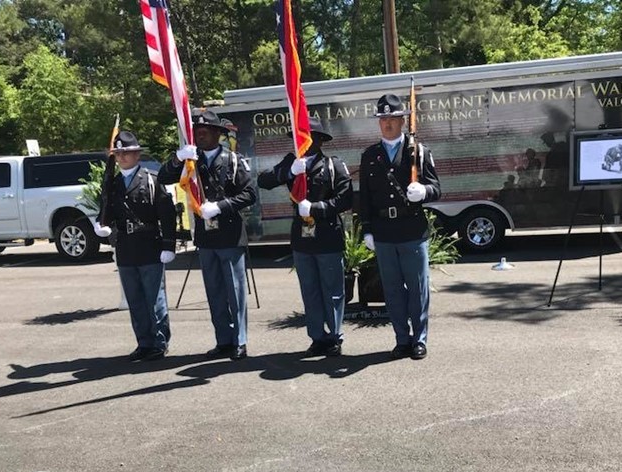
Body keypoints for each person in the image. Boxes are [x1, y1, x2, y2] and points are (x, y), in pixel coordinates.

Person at [158, 109, 257, 360]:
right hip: (206, 236)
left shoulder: (233, 160)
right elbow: (163, 177)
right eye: (197, 132)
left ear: (217, 134)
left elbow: (250, 194)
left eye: (204, 132)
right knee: (214, 291)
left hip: (230, 235)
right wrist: (177, 158)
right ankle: (223, 339)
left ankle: (240, 341)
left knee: (235, 291)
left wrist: (221, 206)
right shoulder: (190, 161)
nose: (200, 136)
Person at [257, 116, 354, 357]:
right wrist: (288, 170)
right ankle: (317, 337)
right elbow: (264, 181)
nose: (302, 142)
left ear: (319, 140)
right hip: (302, 237)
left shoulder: (334, 165)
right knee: (309, 289)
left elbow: (346, 199)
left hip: (328, 236)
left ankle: (334, 335)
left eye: (308, 137)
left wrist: (316, 207)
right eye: (299, 137)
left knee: (332, 289)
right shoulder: (291, 163)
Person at [356, 93, 442, 360]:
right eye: (382, 119)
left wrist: (424, 191)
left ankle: (419, 339)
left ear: (402, 120)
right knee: (391, 290)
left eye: (392, 118)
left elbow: (437, 189)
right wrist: (367, 229)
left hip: (411, 229)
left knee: (417, 288)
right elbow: (365, 198)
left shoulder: (418, 151)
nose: (387, 124)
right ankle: (401, 339)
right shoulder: (370, 155)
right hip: (383, 231)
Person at [91, 130, 177, 362]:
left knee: (154, 299)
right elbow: (107, 210)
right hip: (126, 247)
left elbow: (167, 214)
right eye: (118, 153)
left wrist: (169, 244)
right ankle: (144, 342)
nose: (121, 158)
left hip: (149, 245)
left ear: (137, 154)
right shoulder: (113, 183)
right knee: (135, 299)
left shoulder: (152, 179)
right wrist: (102, 226)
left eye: (126, 153)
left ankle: (159, 342)